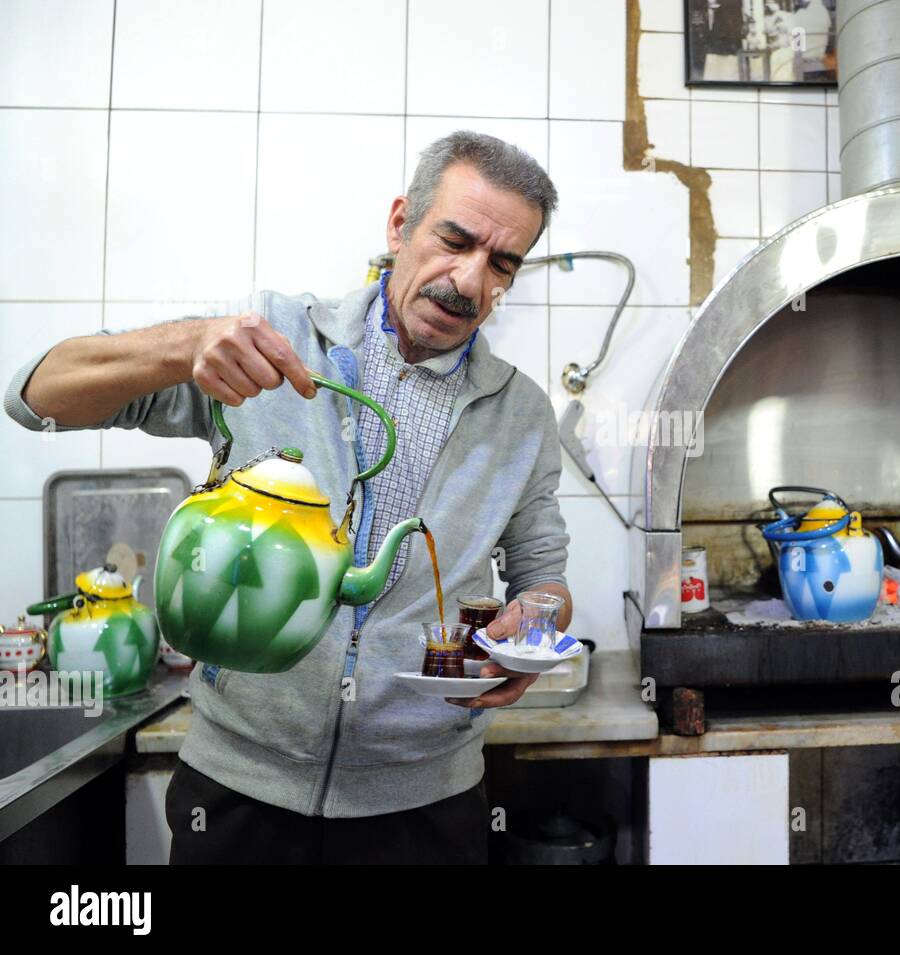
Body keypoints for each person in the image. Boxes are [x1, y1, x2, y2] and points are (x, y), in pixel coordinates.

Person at [3, 131, 573, 864]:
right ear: (400, 224)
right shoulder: (270, 342)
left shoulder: (520, 413)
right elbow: (33, 396)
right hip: (239, 792)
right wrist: (188, 344)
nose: (469, 281)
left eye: (502, 263)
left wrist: (535, 627)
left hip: (427, 806)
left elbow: (544, 576)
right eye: (453, 240)